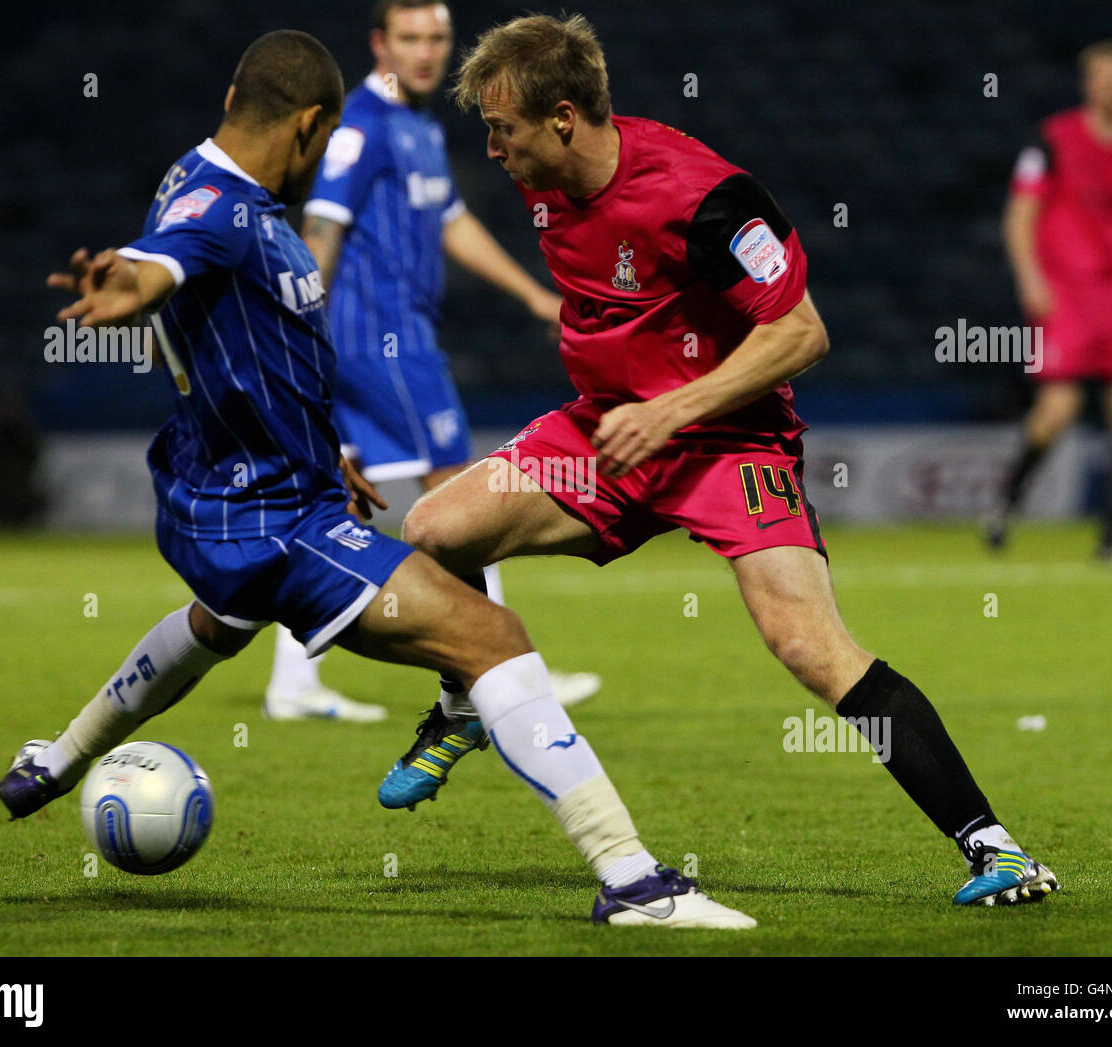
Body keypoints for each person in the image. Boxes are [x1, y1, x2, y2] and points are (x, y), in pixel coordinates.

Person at [0, 29, 753, 929]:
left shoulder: (201, 176)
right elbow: (168, 256)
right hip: (273, 520)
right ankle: (632, 881)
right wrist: (133, 280)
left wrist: (320, 450)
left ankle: (62, 754)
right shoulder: (219, 209)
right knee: (492, 638)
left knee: (219, 621)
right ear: (310, 125)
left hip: (239, 487)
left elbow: (245, 334)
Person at [379, 13, 1059, 907]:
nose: (493, 150)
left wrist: (676, 408)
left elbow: (803, 331)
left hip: (726, 444)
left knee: (811, 647)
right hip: (607, 434)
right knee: (434, 530)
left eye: (503, 130)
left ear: (565, 117)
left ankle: (997, 849)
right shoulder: (539, 181)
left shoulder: (706, 199)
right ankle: (467, 697)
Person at [263, 0, 599, 724]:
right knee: (462, 493)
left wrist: (535, 299)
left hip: (390, 336)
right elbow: (321, 226)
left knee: (339, 496)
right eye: (410, 38)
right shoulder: (362, 125)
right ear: (381, 44)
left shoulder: (417, 127)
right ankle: (508, 668)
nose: (426, 52)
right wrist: (299, 329)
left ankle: (291, 680)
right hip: (376, 337)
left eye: (438, 38)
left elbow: (452, 222)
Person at [989, 39, 1112, 563]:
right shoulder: (1053, 141)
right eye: (1105, 76)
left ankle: (1111, 539)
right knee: (1057, 410)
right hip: (1069, 293)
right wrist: (1030, 278)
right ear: (1088, 83)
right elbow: (1020, 216)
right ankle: (1004, 506)